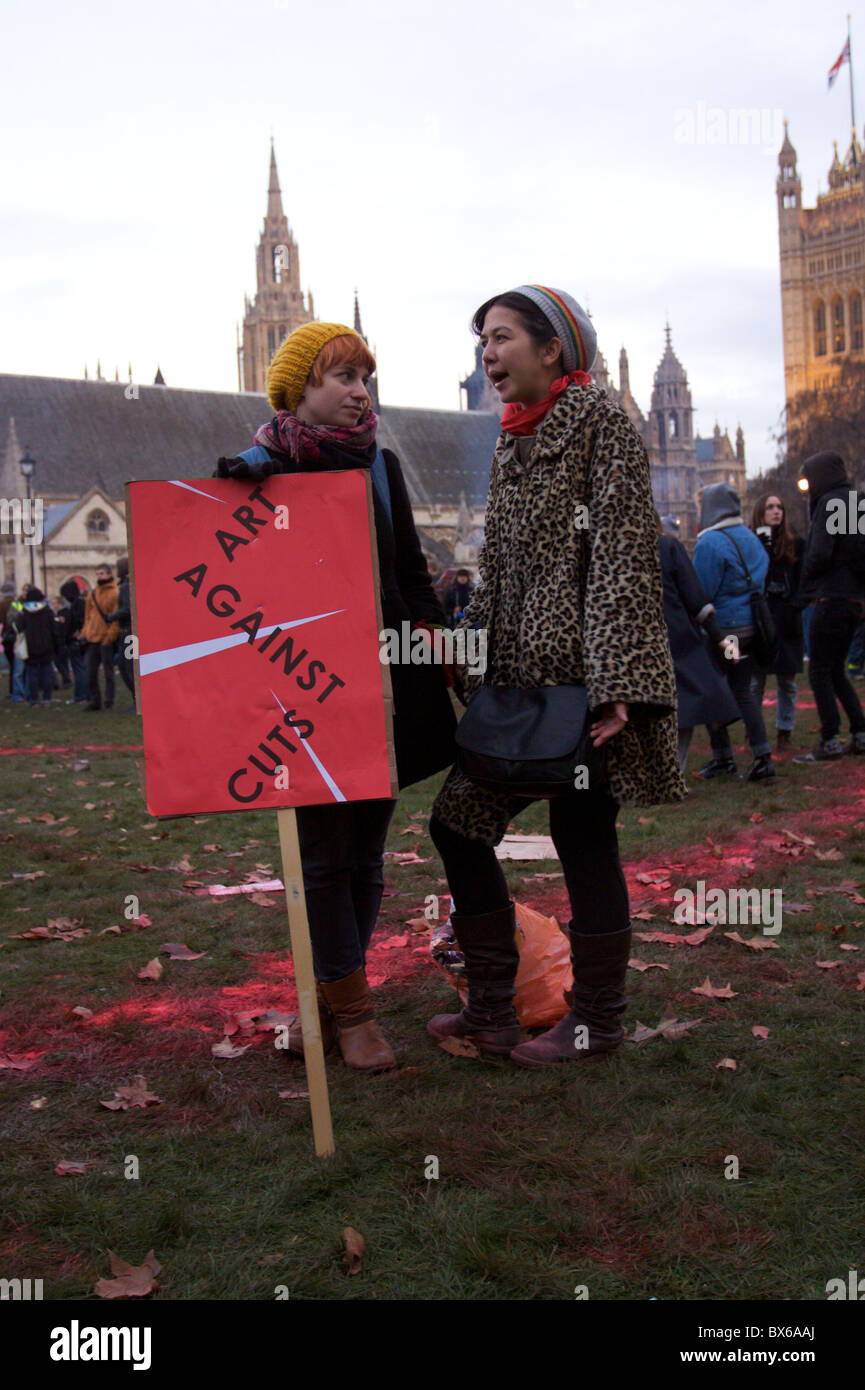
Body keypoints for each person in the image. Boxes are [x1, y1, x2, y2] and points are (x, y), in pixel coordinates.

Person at [425, 284, 685, 1067]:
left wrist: (618, 684)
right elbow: (498, 572)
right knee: (456, 824)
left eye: (502, 338)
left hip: (581, 685)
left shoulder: (601, 421)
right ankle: (494, 1010)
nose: (488, 354)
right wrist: (464, 648)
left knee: (582, 836)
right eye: (482, 342)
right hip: (514, 684)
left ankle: (597, 1021)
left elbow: (621, 554)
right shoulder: (512, 439)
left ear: (551, 349)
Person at [215, 322, 456, 1073]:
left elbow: (411, 573)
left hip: (384, 685)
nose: (359, 393)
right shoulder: (261, 469)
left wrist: (434, 634)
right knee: (324, 854)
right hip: (302, 687)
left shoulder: (381, 468)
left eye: (364, 379)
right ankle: (353, 1017)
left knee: (367, 851)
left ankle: (321, 1008)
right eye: (342, 378)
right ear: (299, 389)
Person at [692, 483, 774, 782]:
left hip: (725, 634)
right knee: (743, 690)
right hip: (751, 628)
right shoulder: (750, 538)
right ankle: (762, 755)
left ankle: (722, 756)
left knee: (712, 689)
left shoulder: (710, 543)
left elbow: (702, 590)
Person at [793, 450, 865, 761]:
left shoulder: (829, 504)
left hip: (831, 597)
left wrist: (806, 582)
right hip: (854, 600)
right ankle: (859, 732)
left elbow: (821, 553)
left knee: (820, 671)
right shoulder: (857, 504)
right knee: (836, 670)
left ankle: (830, 738)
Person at [658, 514, 740, 773]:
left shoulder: (624, 551)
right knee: (684, 704)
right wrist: (718, 637)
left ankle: (668, 771)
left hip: (653, 640)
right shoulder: (668, 547)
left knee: (678, 705)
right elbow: (694, 597)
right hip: (676, 638)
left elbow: (694, 597)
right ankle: (673, 771)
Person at [749, 494, 805, 753]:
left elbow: (803, 578)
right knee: (756, 680)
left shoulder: (796, 544)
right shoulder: (751, 543)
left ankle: (785, 732)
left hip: (786, 619)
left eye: (780, 507)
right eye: (770, 507)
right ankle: (755, 733)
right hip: (761, 620)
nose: (776, 512)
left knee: (787, 681)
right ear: (761, 512)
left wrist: (795, 604)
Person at [81, 564, 119, 710]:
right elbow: (88, 616)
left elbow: (115, 619)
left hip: (106, 639)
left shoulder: (115, 593)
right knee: (90, 672)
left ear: (109, 574)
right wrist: (85, 632)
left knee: (108, 673)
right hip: (92, 638)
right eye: (97, 574)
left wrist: (109, 638)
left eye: (101, 573)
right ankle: (95, 700)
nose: (99, 577)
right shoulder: (93, 593)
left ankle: (109, 701)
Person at [12, 586, 59, 706]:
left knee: (32, 674)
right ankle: (46, 698)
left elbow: (19, 628)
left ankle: (34, 699)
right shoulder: (47, 611)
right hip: (46, 645)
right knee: (46, 673)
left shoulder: (24, 612)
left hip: (30, 646)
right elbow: (54, 629)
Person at [107, 556, 135, 710]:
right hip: (130, 630)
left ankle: (138, 700)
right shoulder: (128, 584)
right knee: (127, 666)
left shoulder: (126, 586)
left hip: (128, 631)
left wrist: (111, 616)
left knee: (128, 667)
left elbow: (127, 609)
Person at [59, 579, 89, 702]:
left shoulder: (78, 605)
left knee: (79, 670)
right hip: (75, 640)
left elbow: (79, 621)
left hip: (76, 641)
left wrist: (76, 632)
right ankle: (82, 695)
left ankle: (81, 695)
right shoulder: (78, 604)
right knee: (80, 669)